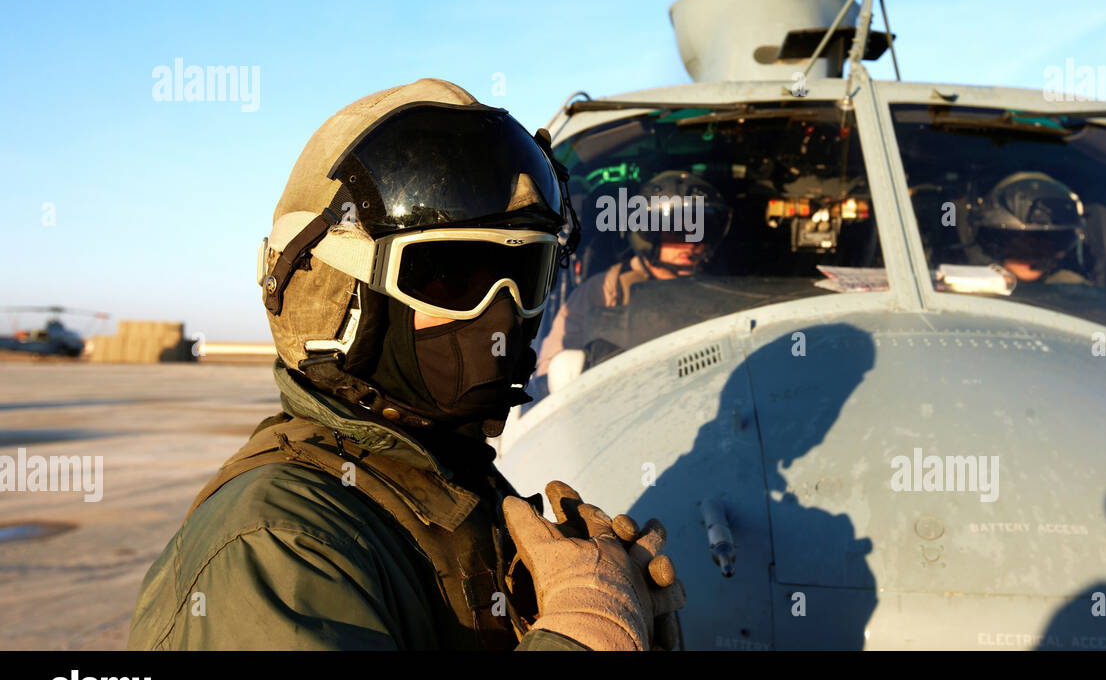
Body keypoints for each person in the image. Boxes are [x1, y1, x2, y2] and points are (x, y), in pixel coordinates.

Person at [127, 77, 684, 650]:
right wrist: (586, 634)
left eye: (524, 274)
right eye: (451, 275)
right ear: (341, 295)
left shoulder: (451, 486)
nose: (500, 313)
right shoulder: (277, 545)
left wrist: (630, 617)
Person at [537, 170, 731, 381]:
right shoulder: (605, 289)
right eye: (679, 230)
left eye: (701, 231)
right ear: (650, 233)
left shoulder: (725, 285)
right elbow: (550, 371)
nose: (693, 243)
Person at [968, 171, 1089, 286]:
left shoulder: (1079, 294)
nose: (1031, 253)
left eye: (1045, 243)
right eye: (1019, 243)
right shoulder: (965, 284)